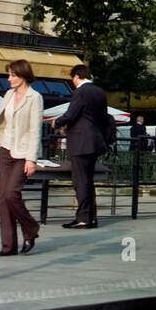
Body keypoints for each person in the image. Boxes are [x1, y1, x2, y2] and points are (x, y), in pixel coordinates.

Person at [54, 65, 109, 229]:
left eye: (73, 79)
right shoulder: (100, 92)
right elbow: (101, 117)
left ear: (77, 76)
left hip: (81, 142)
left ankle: (83, 218)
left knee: (80, 181)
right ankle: (91, 217)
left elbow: (72, 113)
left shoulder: (80, 92)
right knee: (88, 180)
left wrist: (57, 122)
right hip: (95, 141)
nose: (72, 82)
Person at [0, 60, 43, 255]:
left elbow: (35, 130)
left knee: (11, 194)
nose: (9, 79)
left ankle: (31, 228)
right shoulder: (8, 95)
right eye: (8, 75)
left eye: (12, 75)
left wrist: (31, 159)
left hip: (23, 153)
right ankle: (8, 246)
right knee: (2, 198)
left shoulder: (35, 97)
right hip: (5, 149)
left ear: (23, 75)